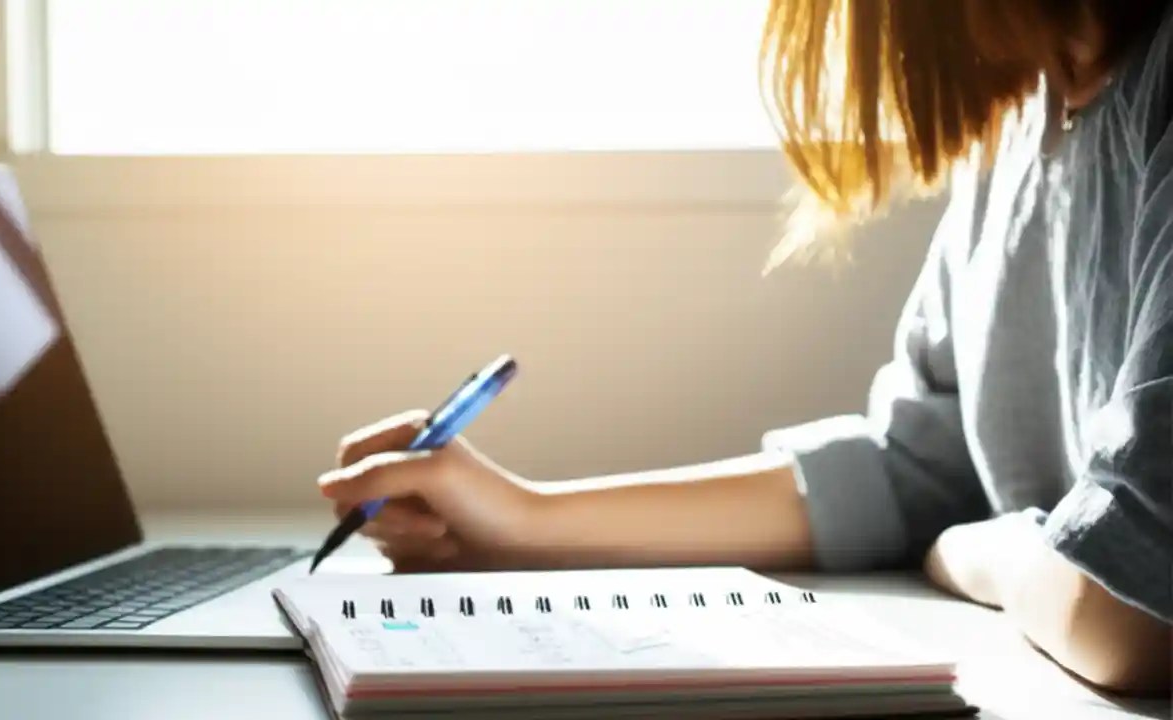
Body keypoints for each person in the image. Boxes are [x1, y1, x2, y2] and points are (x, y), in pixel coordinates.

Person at [318, 0, 1172, 696]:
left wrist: (972, 552)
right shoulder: (1025, 122)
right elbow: (913, 469)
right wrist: (520, 521)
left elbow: (1129, 611)